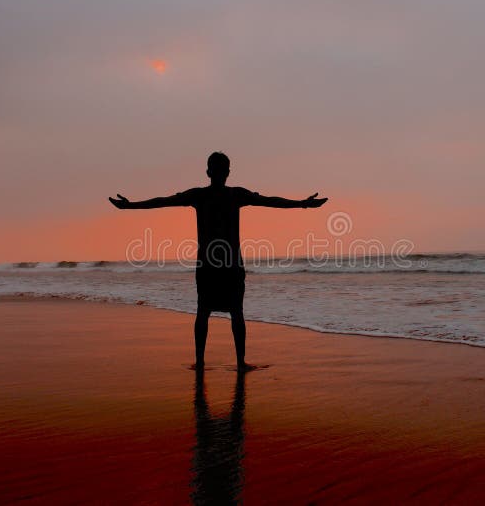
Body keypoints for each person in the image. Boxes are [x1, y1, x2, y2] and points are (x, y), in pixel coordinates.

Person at [109, 152, 327, 371]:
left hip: (207, 265)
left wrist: (130, 206)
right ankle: (240, 362)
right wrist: (303, 204)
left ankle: (201, 362)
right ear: (228, 172)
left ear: (208, 172)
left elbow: (163, 202)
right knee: (236, 312)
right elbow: (270, 201)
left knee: (203, 311)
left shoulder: (198, 195)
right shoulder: (236, 194)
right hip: (231, 265)